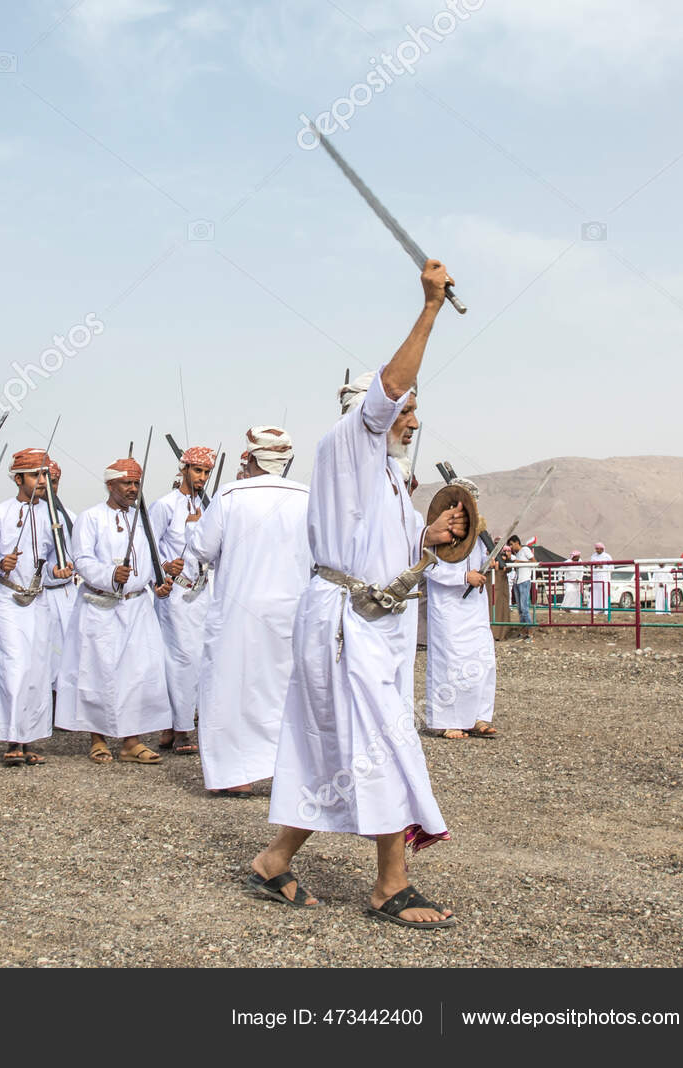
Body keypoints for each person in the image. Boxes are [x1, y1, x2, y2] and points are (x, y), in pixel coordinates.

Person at [252, 259, 466, 929]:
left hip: (374, 626)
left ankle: (272, 862)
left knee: (338, 748)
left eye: (414, 411)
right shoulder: (348, 442)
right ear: (370, 409)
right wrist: (430, 308)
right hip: (346, 623)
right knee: (379, 742)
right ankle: (388, 884)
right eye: (405, 408)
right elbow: (391, 385)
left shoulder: (389, 482)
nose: (411, 417)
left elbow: (387, 557)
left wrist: (428, 537)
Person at [189, 428, 310, 796]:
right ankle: (286, 773)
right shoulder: (308, 496)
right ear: (285, 460)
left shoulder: (230, 494)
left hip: (238, 614)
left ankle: (234, 776)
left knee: (230, 690)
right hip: (292, 611)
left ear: (251, 458)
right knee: (283, 692)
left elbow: (202, 550)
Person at [56, 457, 174, 764]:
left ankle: (131, 742)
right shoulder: (91, 517)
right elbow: (81, 559)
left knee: (136, 674)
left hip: (137, 607)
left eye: (137, 483)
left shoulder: (142, 518)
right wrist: (109, 575)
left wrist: (159, 579)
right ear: (110, 485)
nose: (133, 489)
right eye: (127, 483)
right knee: (98, 672)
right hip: (100, 608)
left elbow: (151, 558)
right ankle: (97, 739)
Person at [0, 449, 70, 764]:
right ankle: (11, 740)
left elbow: (57, 561)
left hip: (39, 598)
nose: (42, 481)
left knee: (36, 670)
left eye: (45, 475)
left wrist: (59, 571)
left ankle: (28, 740)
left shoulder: (53, 515)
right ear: (18, 479)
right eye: (35, 475)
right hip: (7, 598)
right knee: (13, 668)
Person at [152, 445, 215, 755]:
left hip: (206, 592)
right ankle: (181, 730)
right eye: (197, 470)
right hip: (175, 593)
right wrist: (164, 565)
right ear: (184, 470)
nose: (201, 477)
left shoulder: (212, 506)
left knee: (203, 659)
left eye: (206, 472)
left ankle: (179, 724)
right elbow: (148, 546)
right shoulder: (164, 505)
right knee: (181, 660)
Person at [424, 480, 498, 740]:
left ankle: (478, 717)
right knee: (450, 662)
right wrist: (464, 577)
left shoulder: (478, 537)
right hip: (447, 610)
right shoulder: (434, 534)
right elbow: (427, 567)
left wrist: (490, 567)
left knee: (482, 659)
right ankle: (445, 721)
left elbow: (479, 565)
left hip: (474, 609)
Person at [43, 460, 78, 706]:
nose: (49, 487)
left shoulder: (71, 517)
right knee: (45, 649)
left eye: (53, 482)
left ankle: (64, 701)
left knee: (68, 648)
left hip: (67, 593)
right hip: (40, 593)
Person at [507, 535, 536, 630]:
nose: (511, 547)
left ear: (517, 542)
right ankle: (523, 630)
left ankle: (529, 631)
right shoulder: (517, 554)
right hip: (517, 582)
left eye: (511, 544)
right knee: (520, 609)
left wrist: (519, 562)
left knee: (524, 608)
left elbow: (534, 562)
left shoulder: (525, 550)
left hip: (524, 581)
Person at [589, 542, 612, 611]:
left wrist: (603, 566)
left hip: (604, 577)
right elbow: (591, 566)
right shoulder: (593, 556)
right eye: (596, 549)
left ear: (602, 549)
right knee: (595, 593)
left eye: (598, 549)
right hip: (595, 577)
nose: (596, 550)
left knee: (604, 593)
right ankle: (595, 609)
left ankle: (604, 609)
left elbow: (611, 567)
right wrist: (595, 566)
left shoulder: (607, 556)